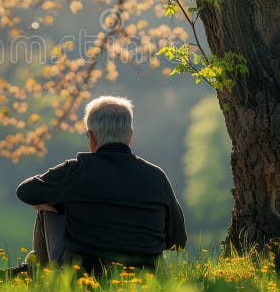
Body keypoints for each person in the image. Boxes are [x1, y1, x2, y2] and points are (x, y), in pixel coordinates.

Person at [16, 95, 187, 272]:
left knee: (49, 202)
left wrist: (57, 205)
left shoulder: (75, 171)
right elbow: (178, 239)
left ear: (91, 137)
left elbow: (25, 191)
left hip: (84, 274)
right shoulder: (156, 176)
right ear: (130, 135)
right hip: (146, 275)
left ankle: (45, 275)